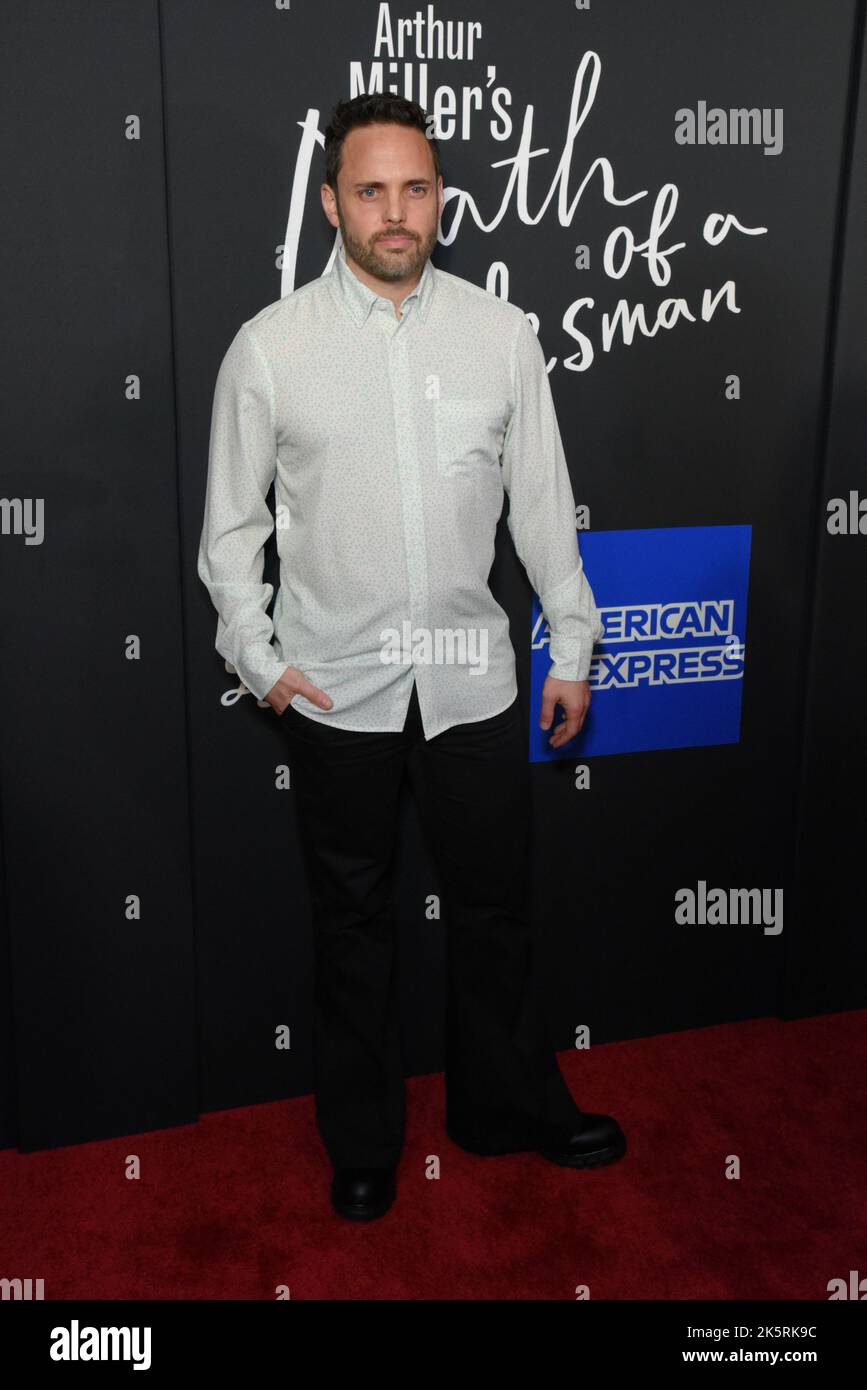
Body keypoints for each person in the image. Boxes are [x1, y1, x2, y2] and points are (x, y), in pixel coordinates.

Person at [197, 92, 625, 1222]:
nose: (397, 212)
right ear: (331, 198)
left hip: (476, 685)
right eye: (372, 189)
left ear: (442, 199)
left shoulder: (499, 335)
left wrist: (572, 648)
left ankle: (504, 1106)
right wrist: (258, 651)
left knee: (497, 915)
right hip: (335, 691)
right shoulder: (271, 349)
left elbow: (543, 511)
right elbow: (230, 532)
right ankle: (364, 1138)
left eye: (417, 188)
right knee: (353, 928)